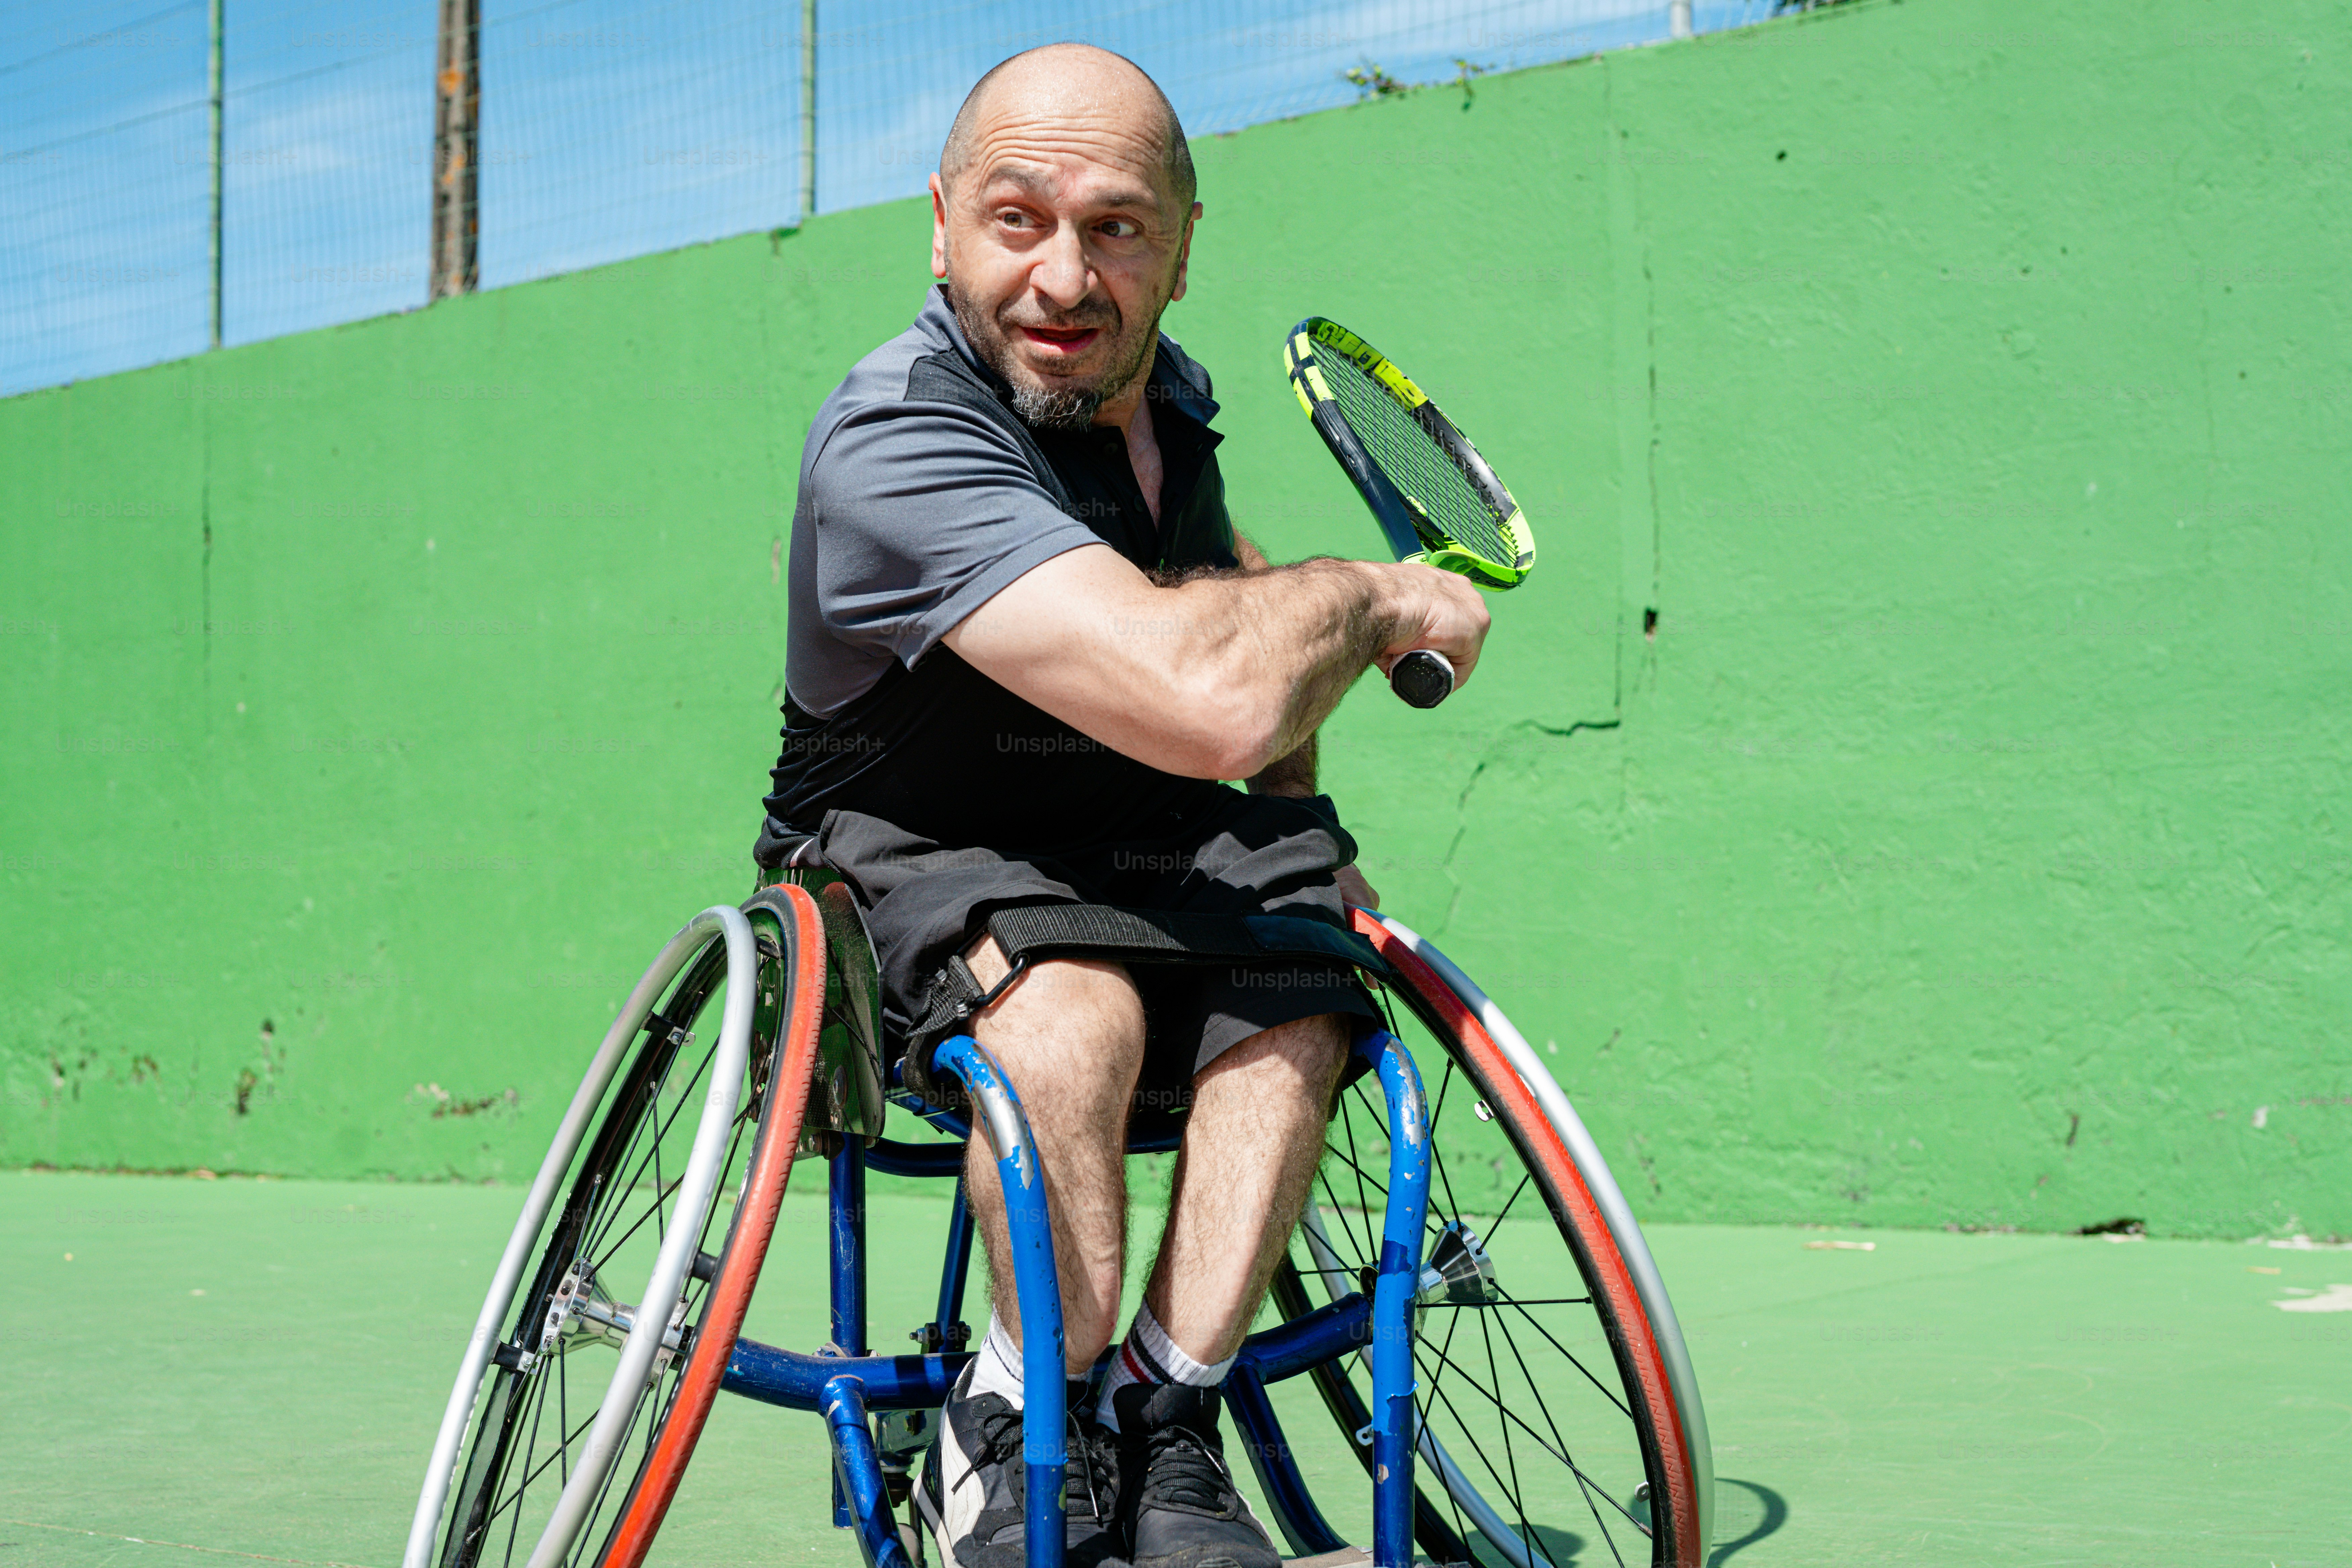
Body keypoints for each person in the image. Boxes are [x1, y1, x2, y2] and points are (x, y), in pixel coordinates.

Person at [753, 43, 1489, 1568]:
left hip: (1128, 835)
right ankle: (1019, 1417)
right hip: (911, 846)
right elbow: (1212, 690)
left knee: (1313, 976)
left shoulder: (1174, 409)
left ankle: (1168, 1413)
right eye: (1018, 219)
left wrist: (1299, 849)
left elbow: (1238, 657)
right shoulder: (896, 435)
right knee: (1074, 1008)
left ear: (1182, 242)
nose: (1065, 276)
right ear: (944, 221)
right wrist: (1370, 595)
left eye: (1118, 227)